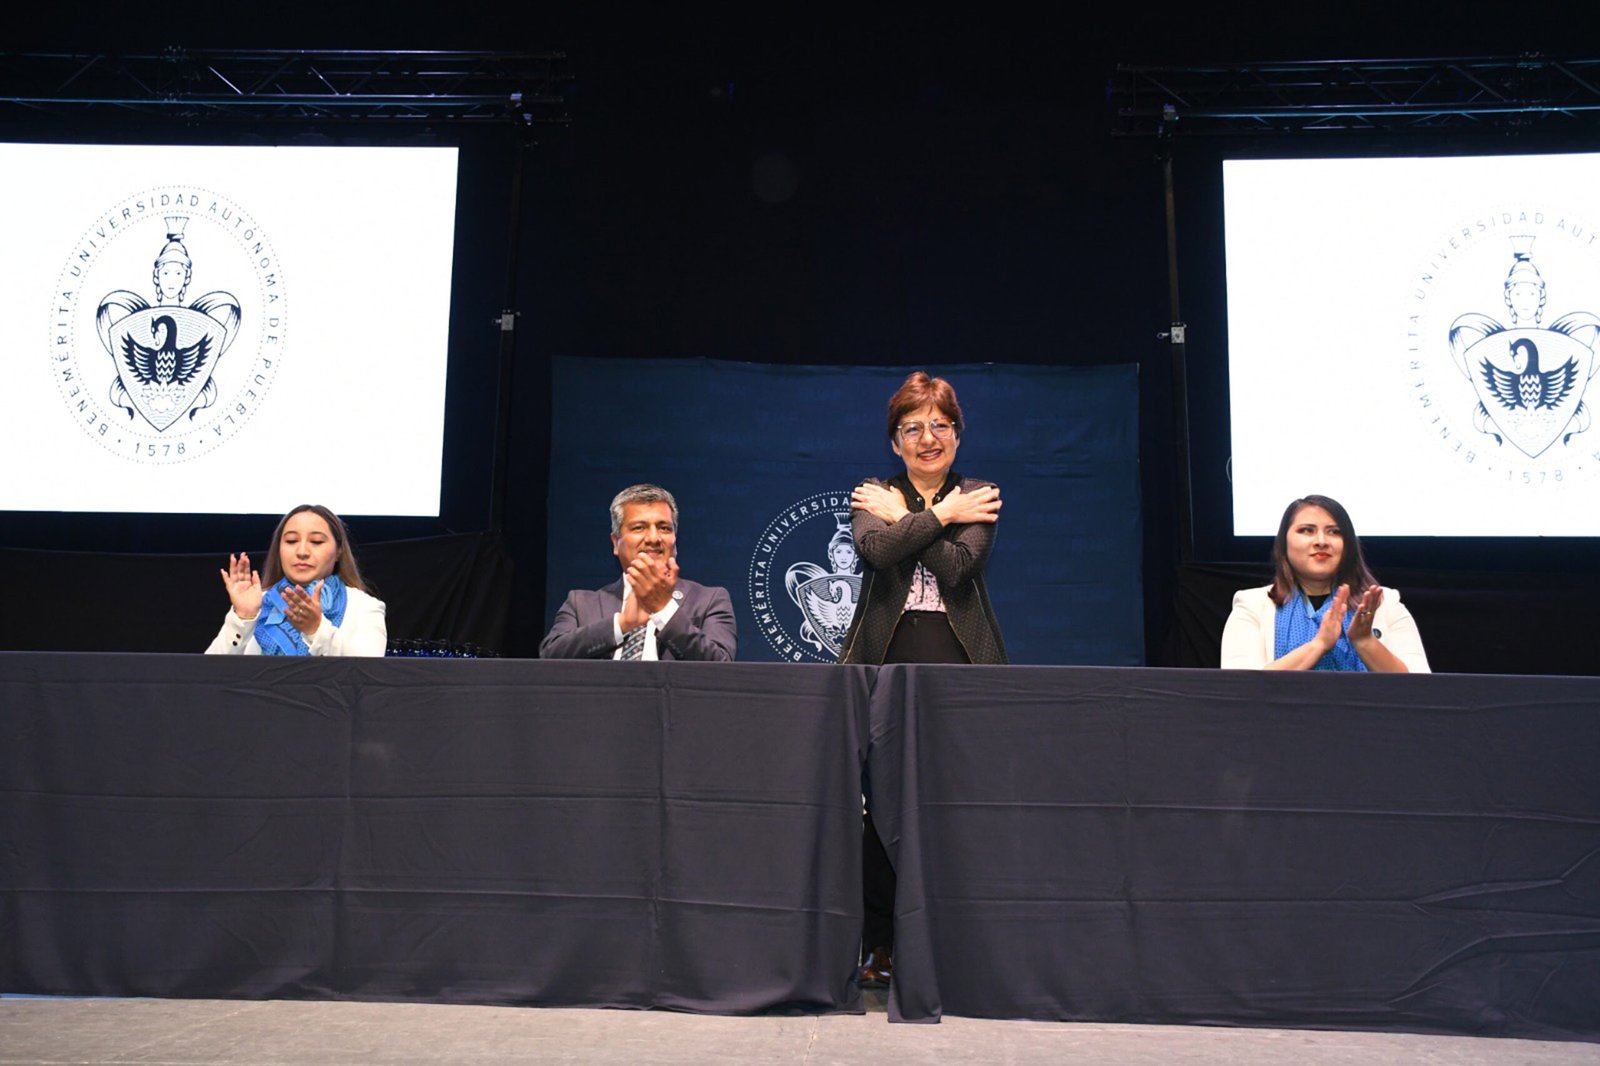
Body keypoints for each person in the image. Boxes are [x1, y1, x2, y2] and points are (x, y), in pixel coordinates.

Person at [838, 371, 1007, 987]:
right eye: (913, 428)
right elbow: (877, 553)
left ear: (957, 435)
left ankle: (953, 940)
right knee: (881, 806)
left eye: (940, 425)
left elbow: (959, 567)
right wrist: (941, 514)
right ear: (895, 442)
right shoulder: (871, 494)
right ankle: (881, 944)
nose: (927, 438)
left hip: (959, 662)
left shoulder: (978, 494)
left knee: (949, 806)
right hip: (884, 658)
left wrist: (914, 516)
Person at [1220, 494, 1429, 672]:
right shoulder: (1252, 605)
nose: (1321, 541)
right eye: (1307, 530)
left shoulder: (1385, 604)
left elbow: (1420, 688)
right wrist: (1319, 645)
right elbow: (1239, 688)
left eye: (1334, 532)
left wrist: (1365, 642)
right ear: (1284, 543)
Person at [539, 484, 737, 661]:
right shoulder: (580, 604)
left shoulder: (709, 600)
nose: (653, 538)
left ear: (675, 540)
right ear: (616, 543)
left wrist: (664, 610)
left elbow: (721, 666)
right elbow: (550, 656)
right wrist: (622, 624)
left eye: (664, 528)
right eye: (639, 528)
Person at [206, 504, 387, 657]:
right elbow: (208, 674)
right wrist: (243, 617)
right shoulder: (258, 603)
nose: (302, 552)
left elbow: (371, 674)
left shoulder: (364, 606)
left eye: (316, 542)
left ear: (339, 551)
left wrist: (316, 630)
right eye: (291, 541)